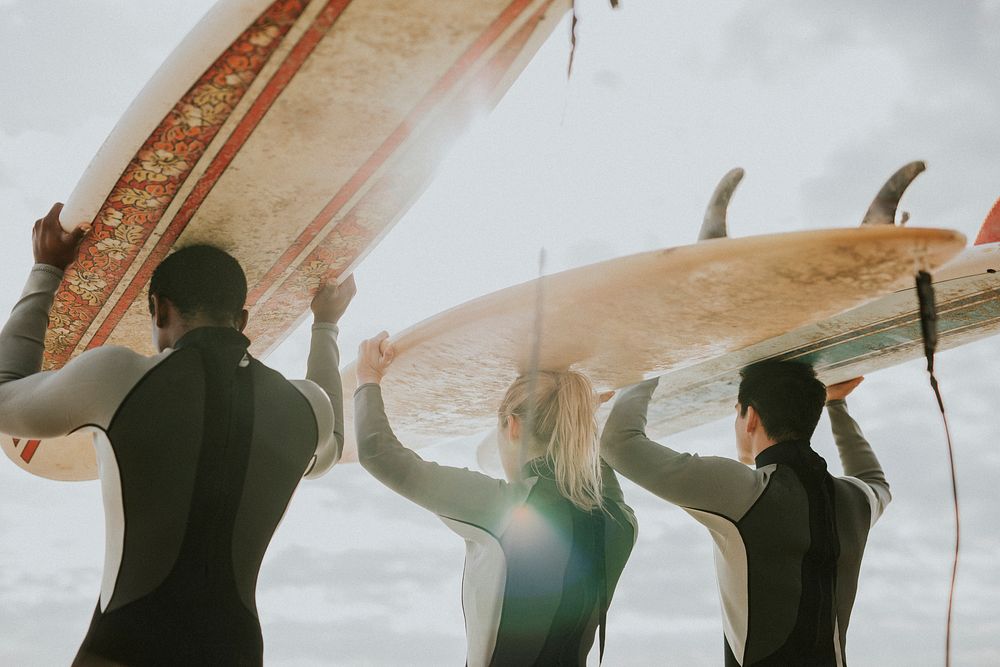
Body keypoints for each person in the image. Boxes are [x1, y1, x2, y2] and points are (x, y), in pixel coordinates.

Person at [0, 203, 355, 666]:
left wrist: (46, 269)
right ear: (242, 321)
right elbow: (332, 433)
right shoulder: (306, 409)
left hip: (126, 647)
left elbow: (4, 395)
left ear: (159, 308)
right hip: (236, 651)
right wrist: (325, 325)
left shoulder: (118, 377)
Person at [354, 332, 638, 666]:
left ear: (512, 426)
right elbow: (593, 470)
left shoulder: (505, 510)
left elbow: (380, 455)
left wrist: (368, 377)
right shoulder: (620, 520)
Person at [600, 361, 890, 666]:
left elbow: (617, 443)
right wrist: (838, 405)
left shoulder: (745, 492)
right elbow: (874, 480)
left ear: (750, 416)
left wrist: (654, 360)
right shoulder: (856, 499)